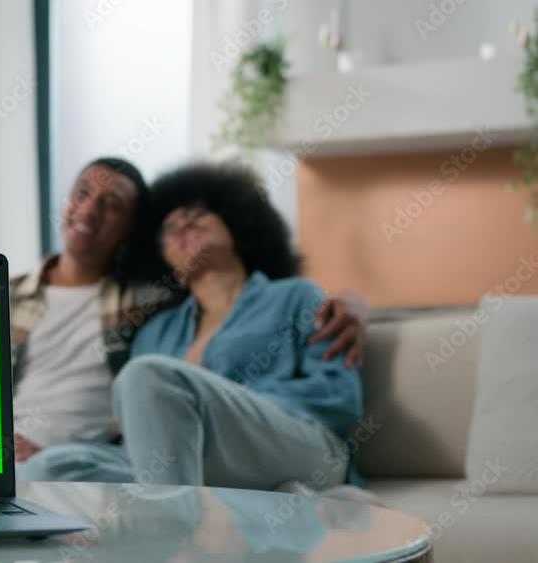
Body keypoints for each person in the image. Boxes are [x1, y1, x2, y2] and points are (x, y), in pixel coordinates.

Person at [19, 161, 364, 491]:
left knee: (146, 375)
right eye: (169, 230)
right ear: (162, 258)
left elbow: (339, 399)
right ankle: (230, 503)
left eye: (197, 216)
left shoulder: (295, 296)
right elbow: (148, 430)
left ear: (236, 226)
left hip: (301, 445)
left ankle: (178, 535)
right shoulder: (156, 329)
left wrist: (228, 410)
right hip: (194, 462)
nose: (183, 225)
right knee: (48, 468)